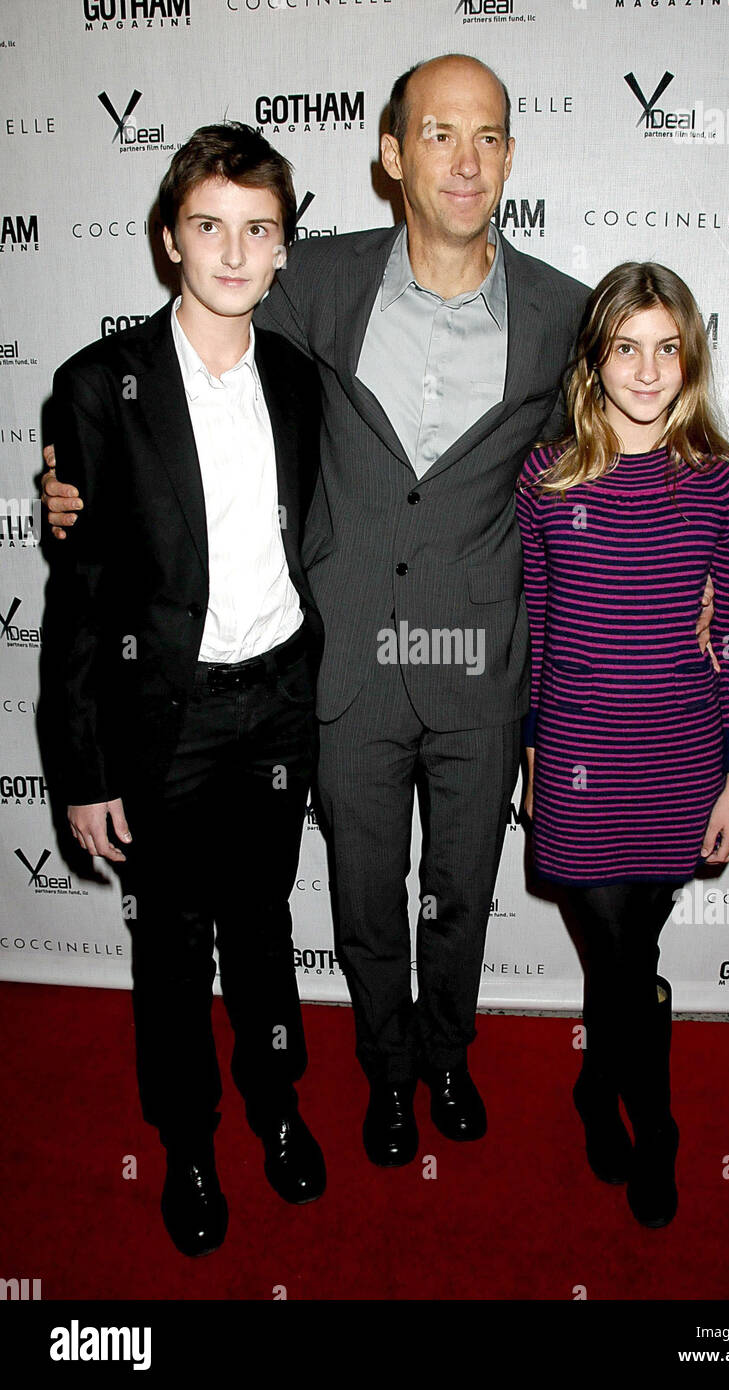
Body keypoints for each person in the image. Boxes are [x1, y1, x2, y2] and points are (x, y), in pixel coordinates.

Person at [42, 55, 712, 1170]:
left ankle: (447, 1055)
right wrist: (79, 497)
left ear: (508, 157)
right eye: (438, 134)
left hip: (478, 665)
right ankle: (386, 1074)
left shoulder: (561, 312)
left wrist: (684, 565)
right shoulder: (310, 282)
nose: (463, 158)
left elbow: (629, 433)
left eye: (487, 136)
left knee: (458, 893)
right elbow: (177, 386)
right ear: (392, 156)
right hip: (339, 667)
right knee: (360, 901)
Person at [47, 123, 326, 1257]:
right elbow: (79, 593)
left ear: (281, 253)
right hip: (163, 717)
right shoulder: (95, 386)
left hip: (276, 703)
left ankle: (275, 1104)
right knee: (169, 946)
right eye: (208, 226)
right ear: (171, 240)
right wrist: (82, 767)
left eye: (257, 230)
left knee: (263, 929)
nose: (231, 250)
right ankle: (190, 1143)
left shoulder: (300, 383)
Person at [516, 262, 729, 1227]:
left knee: (627, 959)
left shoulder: (723, 484)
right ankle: (653, 1128)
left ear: (690, 357)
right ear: (595, 357)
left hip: (678, 760)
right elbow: (535, 628)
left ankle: (597, 1094)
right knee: (624, 966)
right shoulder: (545, 477)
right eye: (627, 346)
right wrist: (534, 755)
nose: (648, 370)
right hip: (577, 759)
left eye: (667, 348)